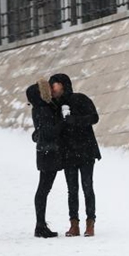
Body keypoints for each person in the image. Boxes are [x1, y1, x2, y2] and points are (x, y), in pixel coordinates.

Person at [49, 73, 101, 237]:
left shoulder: (80, 99)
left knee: (87, 187)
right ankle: (74, 224)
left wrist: (74, 120)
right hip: (68, 153)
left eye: (54, 85)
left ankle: (90, 223)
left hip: (86, 151)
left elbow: (94, 117)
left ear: (63, 84)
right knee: (72, 190)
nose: (52, 89)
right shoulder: (54, 106)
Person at [26, 78, 64, 238]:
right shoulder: (43, 109)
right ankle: (40, 225)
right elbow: (49, 132)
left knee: (43, 189)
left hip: (45, 152)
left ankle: (40, 224)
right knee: (43, 189)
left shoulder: (40, 108)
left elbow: (39, 132)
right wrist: (64, 122)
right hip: (49, 153)